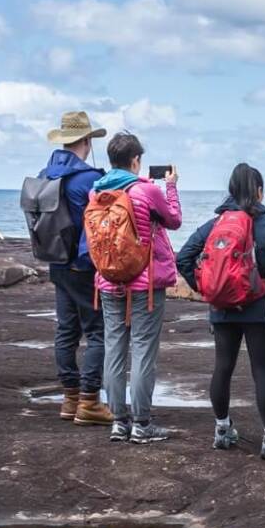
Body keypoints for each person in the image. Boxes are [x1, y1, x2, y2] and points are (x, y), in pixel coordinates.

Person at [176, 164, 265, 460]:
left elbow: (184, 257)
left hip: (222, 309)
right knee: (262, 373)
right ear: (259, 192)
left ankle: (222, 430)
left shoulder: (215, 225)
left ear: (231, 191)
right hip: (259, 310)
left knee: (223, 367)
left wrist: (205, 287)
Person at [92, 132, 181, 445]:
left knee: (114, 348)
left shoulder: (97, 191)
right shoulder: (146, 190)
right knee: (143, 350)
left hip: (109, 280)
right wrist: (170, 186)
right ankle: (141, 423)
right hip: (145, 282)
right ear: (135, 160)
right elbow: (174, 220)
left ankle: (119, 421)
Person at [37, 111, 112, 426]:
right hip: (84, 265)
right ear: (86, 141)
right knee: (98, 332)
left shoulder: (45, 174)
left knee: (66, 330)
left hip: (56, 261)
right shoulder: (90, 179)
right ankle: (89, 401)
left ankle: (69, 398)